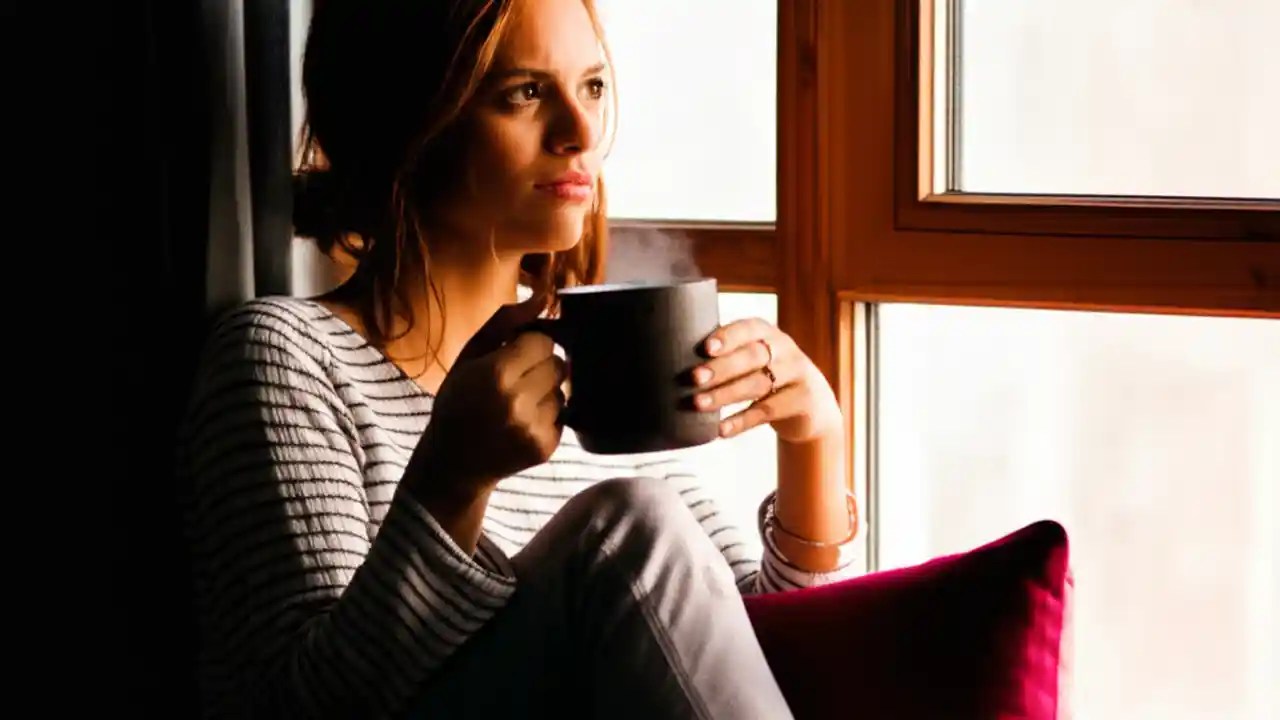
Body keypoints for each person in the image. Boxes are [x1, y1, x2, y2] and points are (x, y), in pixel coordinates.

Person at [178, 0, 862, 717]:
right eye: (526, 93)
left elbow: (726, 663)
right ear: (408, 119)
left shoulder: (602, 373)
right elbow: (291, 705)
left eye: (593, 86)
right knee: (631, 522)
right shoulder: (286, 356)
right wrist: (449, 482)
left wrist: (816, 443)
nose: (582, 132)